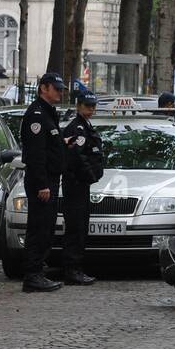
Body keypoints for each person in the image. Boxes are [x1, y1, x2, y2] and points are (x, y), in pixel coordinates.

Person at [20, 72, 67, 292]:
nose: (60, 92)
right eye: (56, 89)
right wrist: (42, 184)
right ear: (43, 88)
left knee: (46, 228)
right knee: (39, 228)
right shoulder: (37, 115)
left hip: (50, 179)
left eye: (61, 89)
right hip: (43, 181)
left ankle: (38, 270)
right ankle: (32, 275)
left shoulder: (48, 113)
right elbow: (36, 154)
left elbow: (49, 146)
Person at [60, 93, 103, 286]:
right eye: (87, 106)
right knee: (76, 228)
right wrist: (90, 175)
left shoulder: (84, 125)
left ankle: (75, 268)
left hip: (80, 184)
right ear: (78, 106)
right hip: (76, 183)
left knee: (80, 227)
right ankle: (72, 269)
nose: (91, 109)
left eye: (93, 106)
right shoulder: (77, 128)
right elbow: (77, 157)